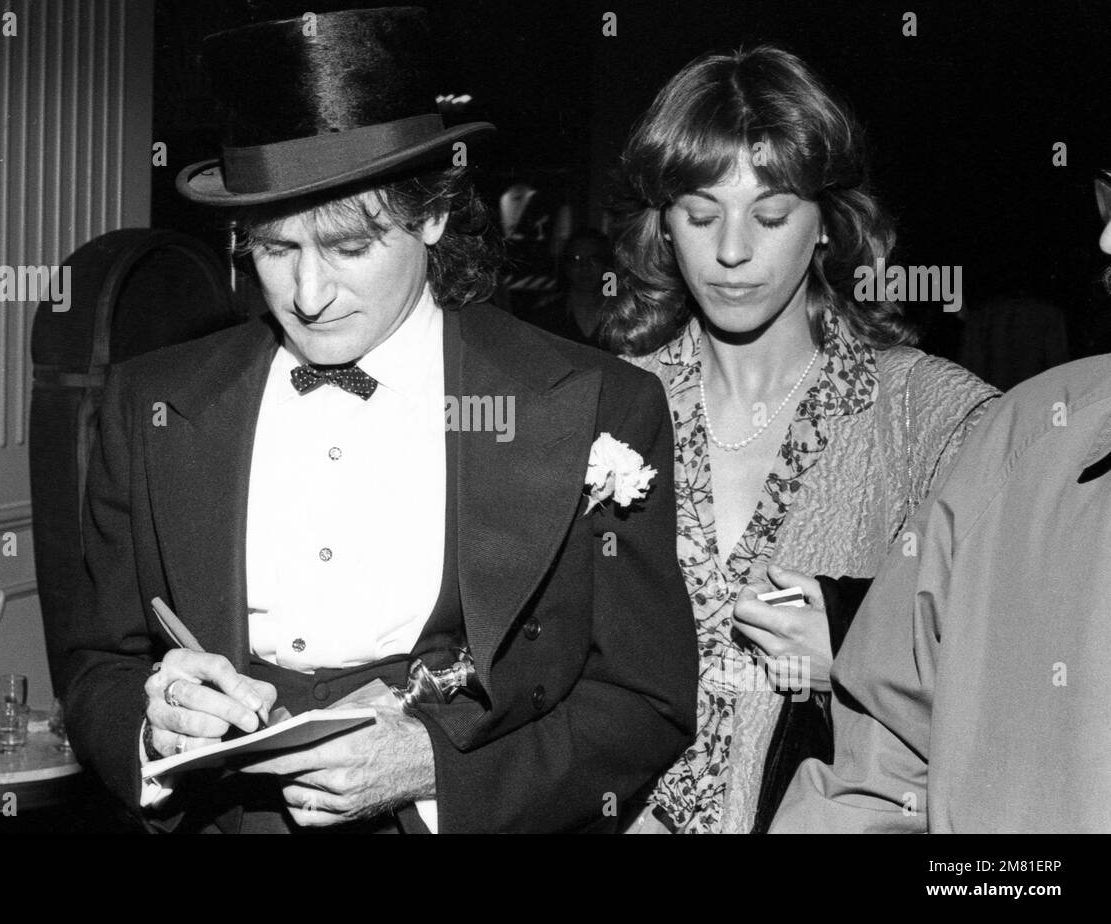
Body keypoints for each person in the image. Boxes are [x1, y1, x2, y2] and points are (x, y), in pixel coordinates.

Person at [61, 7, 697, 834]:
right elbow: (96, 664)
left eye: (350, 247)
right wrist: (154, 728)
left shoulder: (595, 404)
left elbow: (642, 701)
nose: (308, 293)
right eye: (275, 249)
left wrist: (435, 770)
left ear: (433, 215)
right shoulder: (149, 403)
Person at [603, 45, 998, 833]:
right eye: (701, 213)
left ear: (827, 225)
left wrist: (861, 652)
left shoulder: (937, 420)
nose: (733, 252)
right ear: (662, 224)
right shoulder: (603, 403)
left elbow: (1030, 677)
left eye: (772, 214)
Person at [771, 169, 1111, 833]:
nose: (1107, 236)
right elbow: (872, 787)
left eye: (772, 213)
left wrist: (840, 627)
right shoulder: (1025, 437)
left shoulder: (938, 406)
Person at [517, 228, 614, 346]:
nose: (585, 267)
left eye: (594, 259)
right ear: (566, 266)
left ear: (606, 265)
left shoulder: (621, 317)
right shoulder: (545, 317)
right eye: (576, 259)